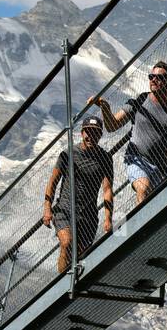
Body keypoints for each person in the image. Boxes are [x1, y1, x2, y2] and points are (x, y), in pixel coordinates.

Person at [89, 60, 167, 206]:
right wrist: (105, 107)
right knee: (143, 188)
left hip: (163, 168)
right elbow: (112, 126)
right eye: (151, 76)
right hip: (137, 159)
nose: (153, 80)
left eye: (159, 77)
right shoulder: (139, 101)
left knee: (160, 206)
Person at [41, 115, 115, 274]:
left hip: (88, 215)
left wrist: (108, 218)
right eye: (87, 132)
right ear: (82, 133)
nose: (90, 136)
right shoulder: (68, 154)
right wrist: (47, 208)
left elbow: (107, 189)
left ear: (100, 135)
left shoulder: (105, 158)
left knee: (81, 255)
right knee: (67, 243)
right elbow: (53, 181)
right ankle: (61, 285)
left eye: (95, 133)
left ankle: (72, 285)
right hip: (64, 210)